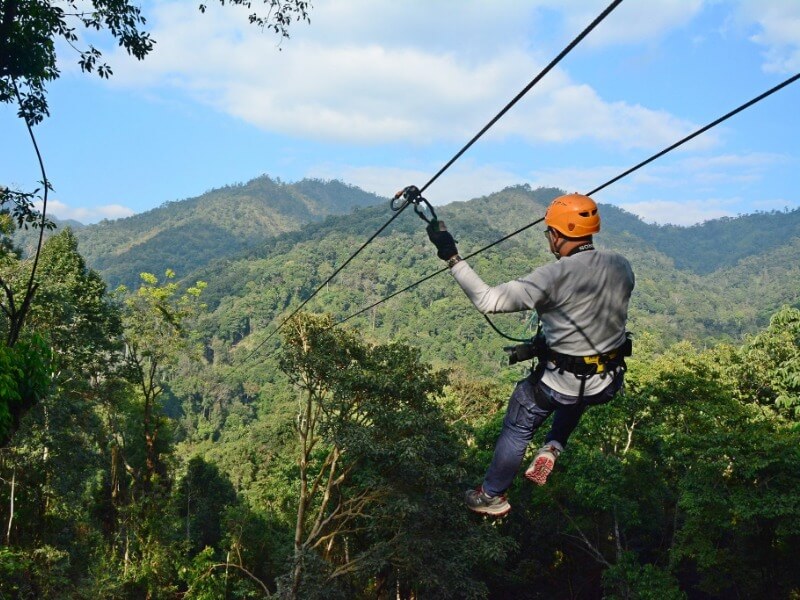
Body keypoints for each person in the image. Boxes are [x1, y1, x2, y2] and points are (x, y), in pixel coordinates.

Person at [426, 192, 635, 516]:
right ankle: (554, 444)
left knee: (522, 416)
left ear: (555, 235)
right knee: (579, 390)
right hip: (607, 382)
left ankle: (492, 495)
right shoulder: (621, 265)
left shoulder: (552, 277)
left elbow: (489, 301)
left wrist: (451, 255)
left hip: (559, 384)